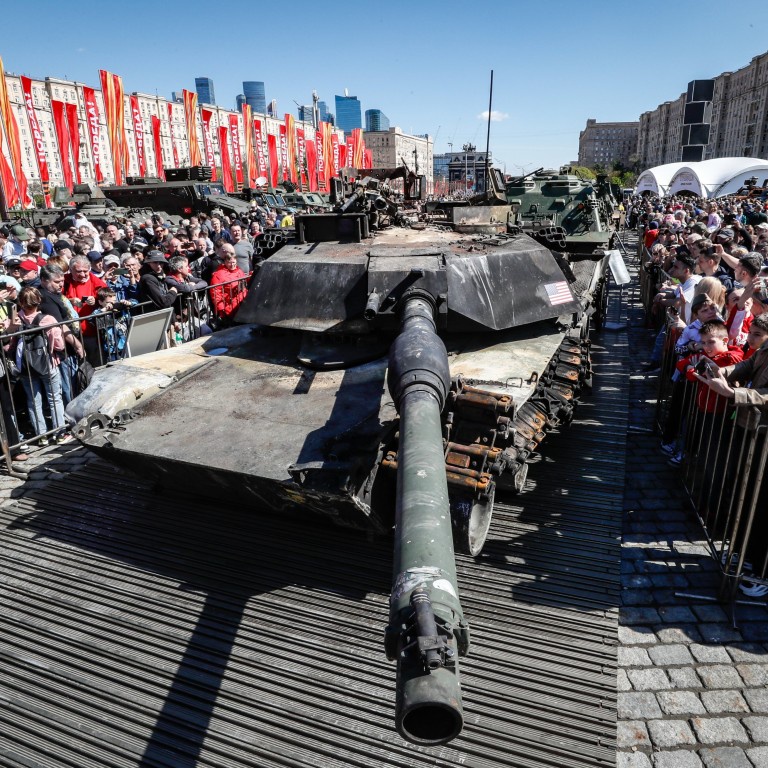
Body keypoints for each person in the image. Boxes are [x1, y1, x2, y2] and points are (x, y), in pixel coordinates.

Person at [13, 286, 69, 445]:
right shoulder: (48, 319)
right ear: (38, 301)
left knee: (33, 401)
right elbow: (59, 344)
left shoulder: (16, 320)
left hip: (25, 368)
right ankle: (59, 433)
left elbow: (9, 346)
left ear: (21, 302)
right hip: (48, 363)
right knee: (55, 399)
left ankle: (41, 436)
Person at [63, 254, 107, 367]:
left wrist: (97, 301)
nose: (82, 274)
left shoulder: (97, 283)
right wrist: (69, 301)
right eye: (78, 271)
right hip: (70, 333)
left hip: (91, 332)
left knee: (95, 364)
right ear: (71, 270)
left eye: (85, 271)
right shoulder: (64, 281)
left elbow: (108, 300)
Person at [209, 243, 246, 324]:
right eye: (230, 262)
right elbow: (215, 293)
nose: (232, 265)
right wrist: (222, 309)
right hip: (228, 309)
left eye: (234, 262)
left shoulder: (239, 271)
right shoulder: (219, 274)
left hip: (241, 306)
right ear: (225, 262)